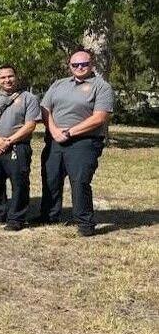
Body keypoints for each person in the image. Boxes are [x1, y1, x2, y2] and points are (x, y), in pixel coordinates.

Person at [38, 50, 114, 237]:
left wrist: (70, 132)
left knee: (79, 181)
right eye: (75, 65)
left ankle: (85, 223)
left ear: (92, 64)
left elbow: (99, 118)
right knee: (51, 178)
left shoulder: (101, 87)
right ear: (69, 65)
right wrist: (55, 131)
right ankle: (49, 215)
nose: (79, 67)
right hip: (55, 138)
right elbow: (45, 108)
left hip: (84, 141)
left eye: (84, 64)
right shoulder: (59, 84)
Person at [0, 64, 41, 231]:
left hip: (17, 146)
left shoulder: (29, 98)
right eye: (3, 77)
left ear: (16, 77)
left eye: (10, 76)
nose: (7, 80)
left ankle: (16, 218)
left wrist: (8, 141)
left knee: (19, 182)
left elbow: (30, 125)